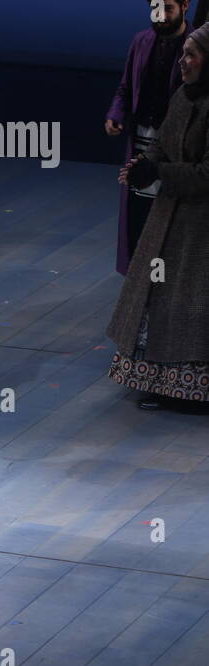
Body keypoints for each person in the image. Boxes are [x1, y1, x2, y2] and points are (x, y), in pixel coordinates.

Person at [106, 23, 209, 412]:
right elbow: (162, 144)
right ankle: (162, 382)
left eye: (191, 55)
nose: (183, 61)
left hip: (201, 226)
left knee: (195, 303)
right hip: (170, 217)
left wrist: (161, 172)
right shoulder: (183, 96)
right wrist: (143, 165)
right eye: (183, 54)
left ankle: (197, 391)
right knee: (159, 294)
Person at [104, 0, 193, 274]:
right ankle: (139, 280)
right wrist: (115, 115)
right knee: (139, 209)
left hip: (178, 145)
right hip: (141, 137)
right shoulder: (141, 41)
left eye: (167, 8)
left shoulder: (196, 46)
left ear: (184, 5)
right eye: (155, 8)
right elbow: (126, 87)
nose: (161, 15)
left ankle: (168, 281)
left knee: (171, 212)